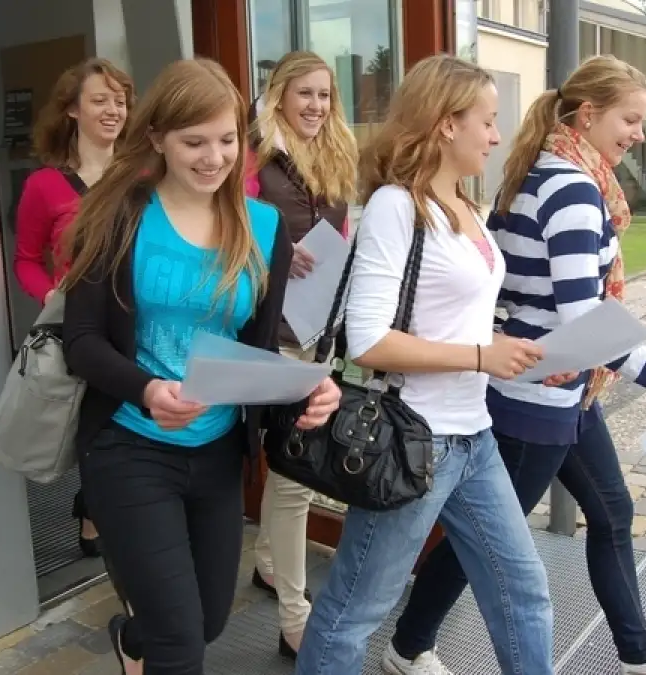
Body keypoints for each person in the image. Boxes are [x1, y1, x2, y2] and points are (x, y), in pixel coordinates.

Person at [382, 55, 646, 675]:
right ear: (588, 115)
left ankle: (639, 655)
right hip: (535, 400)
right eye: (631, 119)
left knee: (611, 511)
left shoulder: (534, 171)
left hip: (562, 392)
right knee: (477, 545)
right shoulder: (570, 187)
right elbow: (585, 318)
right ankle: (407, 648)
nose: (639, 134)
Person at [58, 58, 340, 675]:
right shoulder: (119, 216)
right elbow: (79, 341)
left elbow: (257, 355)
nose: (214, 158)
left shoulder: (263, 227)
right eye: (194, 142)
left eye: (227, 140)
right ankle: (155, 645)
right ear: (157, 138)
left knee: (207, 621)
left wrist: (305, 395)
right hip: (128, 444)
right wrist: (148, 388)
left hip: (215, 454)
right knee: (181, 646)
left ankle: (133, 641)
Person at [295, 54, 568, 675]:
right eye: (488, 121)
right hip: (413, 441)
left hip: (474, 437)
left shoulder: (467, 207)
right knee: (352, 613)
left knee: (523, 591)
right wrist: (481, 356)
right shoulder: (397, 206)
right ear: (446, 123)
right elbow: (367, 340)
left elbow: (462, 319)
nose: (497, 136)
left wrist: (518, 359)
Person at [244, 50, 358, 658]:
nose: (316, 105)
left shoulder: (334, 154)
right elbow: (225, 229)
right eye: (305, 93)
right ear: (280, 93)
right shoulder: (253, 155)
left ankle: (267, 562)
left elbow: (340, 236)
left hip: (320, 332)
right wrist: (278, 247)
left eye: (324, 94)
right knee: (293, 477)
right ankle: (295, 615)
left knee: (294, 466)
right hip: (273, 332)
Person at [14, 57, 134, 558]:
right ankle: (94, 513)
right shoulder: (44, 186)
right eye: (99, 100)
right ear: (71, 110)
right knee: (93, 426)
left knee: (129, 420)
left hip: (138, 322)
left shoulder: (142, 175)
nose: (112, 111)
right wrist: (48, 295)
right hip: (80, 330)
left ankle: (116, 508)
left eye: (120, 101)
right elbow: (25, 259)